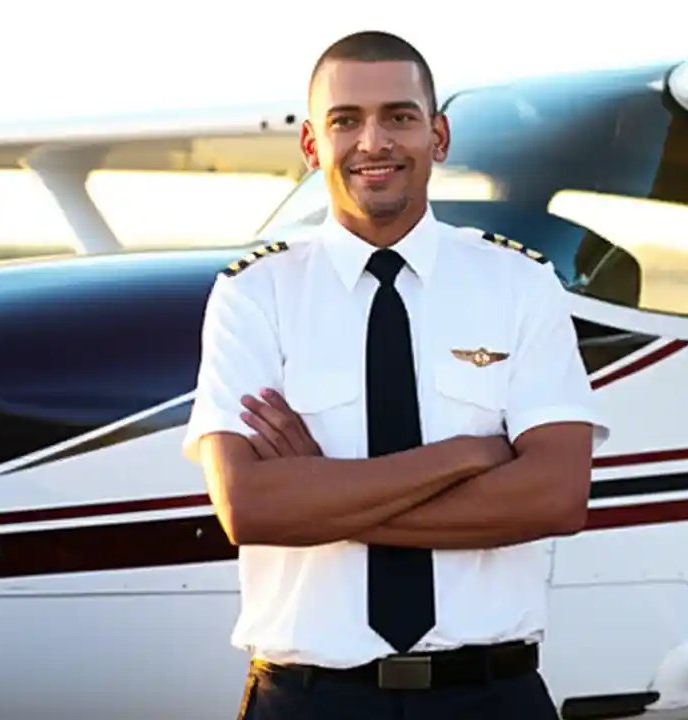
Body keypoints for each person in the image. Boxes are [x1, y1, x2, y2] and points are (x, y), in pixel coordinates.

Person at [181, 29, 607, 720]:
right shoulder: (253, 296)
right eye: (346, 121)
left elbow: (556, 497)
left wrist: (324, 492)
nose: (373, 142)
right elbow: (252, 508)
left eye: (399, 118)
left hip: (491, 697)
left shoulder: (522, 286)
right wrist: (467, 456)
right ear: (312, 144)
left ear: (437, 136)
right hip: (309, 699)